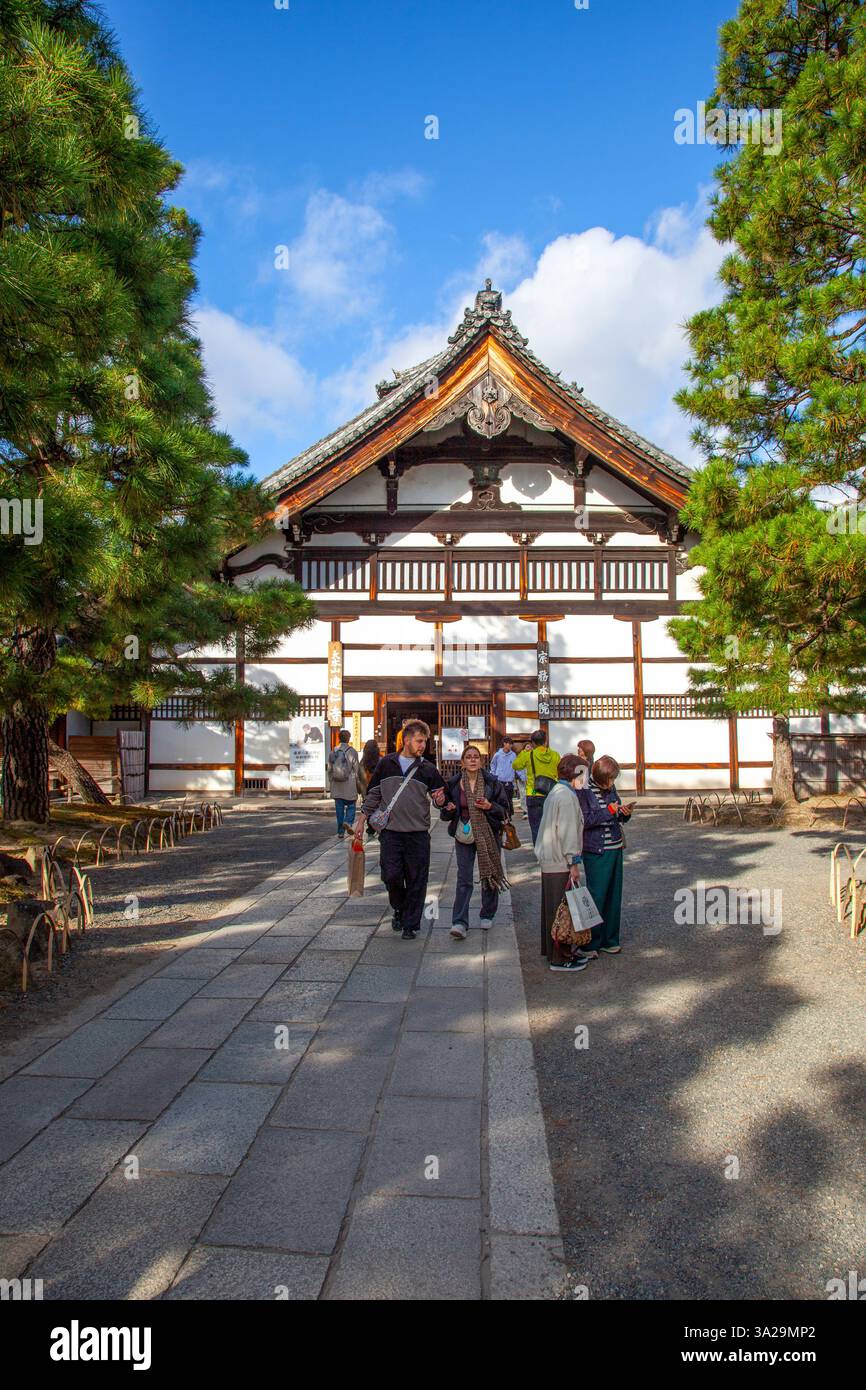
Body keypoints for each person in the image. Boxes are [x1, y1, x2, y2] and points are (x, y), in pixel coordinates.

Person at [354, 719, 446, 940]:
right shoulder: (386, 764)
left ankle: (410, 924)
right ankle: (399, 907)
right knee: (391, 875)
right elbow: (374, 793)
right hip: (391, 833)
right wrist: (362, 818)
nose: (423, 745)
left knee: (417, 878)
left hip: (418, 833)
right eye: (419, 741)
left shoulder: (427, 769)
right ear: (406, 740)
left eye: (424, 741)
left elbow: (439, 797)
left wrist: (440, 800)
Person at [440, 745, 509, 940]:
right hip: (463, 833)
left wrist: (490, 806)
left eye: (476, 757)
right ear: (462, 762)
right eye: (468, 757)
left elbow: (505, 810)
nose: (472, 760)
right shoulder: (453, 783)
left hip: (488, 832)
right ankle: (459, 921)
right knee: (464, 877)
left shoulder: (492, 782)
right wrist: (450, 809)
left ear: (481, 761)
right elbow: (444, 813)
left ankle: (487, 913)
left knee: (489, 873)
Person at [534, 754, 592, 972]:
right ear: (576, 773)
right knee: (562, 910)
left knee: (553, 908)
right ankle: (561, 957)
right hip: (560, 859)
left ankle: (553, 951)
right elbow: (567, 832)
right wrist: (573, 863)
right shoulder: (567, 796)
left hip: (550, 858)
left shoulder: (557, 792)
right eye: (584, 773)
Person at [577, 755, 633, 955]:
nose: (612, 783)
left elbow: (615, 810)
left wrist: (623, 813)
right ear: (600, 777)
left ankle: (610, 939)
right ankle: (591, 941)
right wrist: (609, 811)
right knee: (596, 895)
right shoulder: (584, 790)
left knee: (613, 894)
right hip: (596, 849)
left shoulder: (611, 789)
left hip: (615, 846)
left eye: (614, 779)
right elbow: (585, 819)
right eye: (610, 779)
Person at [512, 729, 561, 846]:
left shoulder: (529, 755)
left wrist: (524, 752)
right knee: (552, 825)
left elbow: (515, 765)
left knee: (536, 826)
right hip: (551, 792)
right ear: (546, 741)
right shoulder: (555, 755)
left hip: (534, 791)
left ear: (533, 743)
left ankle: (540, 851)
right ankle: (552, 849)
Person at [327, 729, 360, 838]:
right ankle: (348, 822)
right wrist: (358, 783)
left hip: (337, 784)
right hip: (349, 783)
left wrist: (331, 781)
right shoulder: (352, 751)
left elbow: (329, 769)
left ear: (339, 738)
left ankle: (340, 831)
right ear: (348, 738)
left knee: (339, 808)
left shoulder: (333, 751)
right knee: (351, 805)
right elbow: (357, 770)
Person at [358, 739, 382, 838]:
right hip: (379, 789)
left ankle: (370, 828)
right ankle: (378, 825)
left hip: (367, 789)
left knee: (368, 806)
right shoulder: (381, 760)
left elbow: (360, 778)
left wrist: (361, 792)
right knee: (379, 807)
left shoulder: (362, 763)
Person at [489, 736, 517, 813]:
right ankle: (501, 814)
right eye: (509, 744)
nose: (510, 745)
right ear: (504, 743)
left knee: (509, 799)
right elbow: (493, 765)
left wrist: (522, 776)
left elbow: (516, 766)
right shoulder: (497, 754)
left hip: (509, 781)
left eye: (511, 744)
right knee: (499, 798)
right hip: (499, 780)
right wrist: (494, 775)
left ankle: (509, 815)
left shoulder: (513, 755)